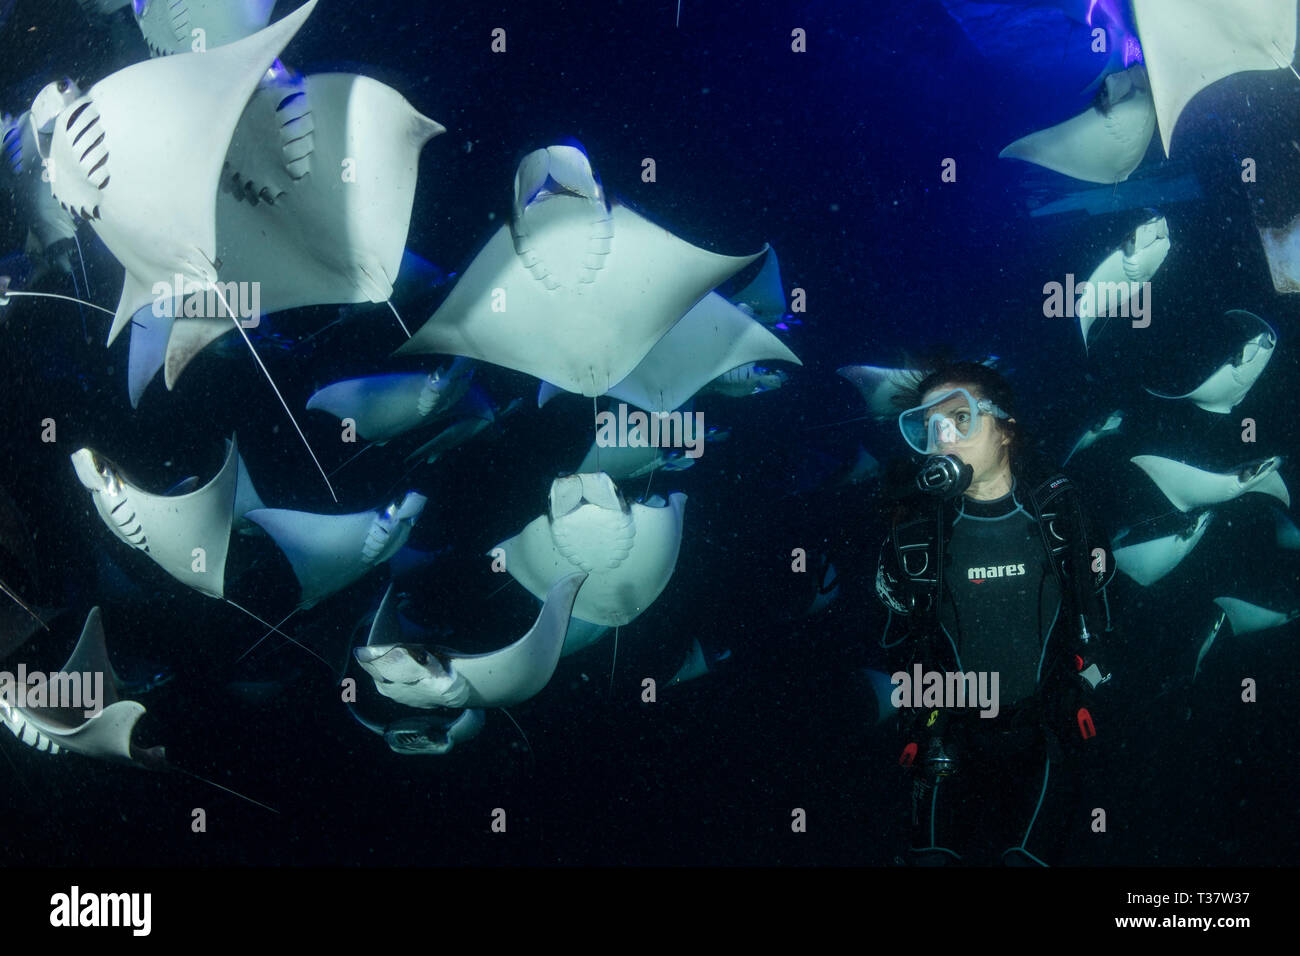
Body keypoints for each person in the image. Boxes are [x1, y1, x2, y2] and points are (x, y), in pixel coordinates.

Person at [873, 361, 1114, 866]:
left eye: (959, 418)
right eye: (929, 426)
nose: (943, 438)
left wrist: (1086, 686)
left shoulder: (1060, 515)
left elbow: (1103, 625)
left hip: (1048, 731)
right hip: (948, 737)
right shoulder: (911, 536)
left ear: (1005, 428)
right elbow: (897, 644)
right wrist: (921, 716)